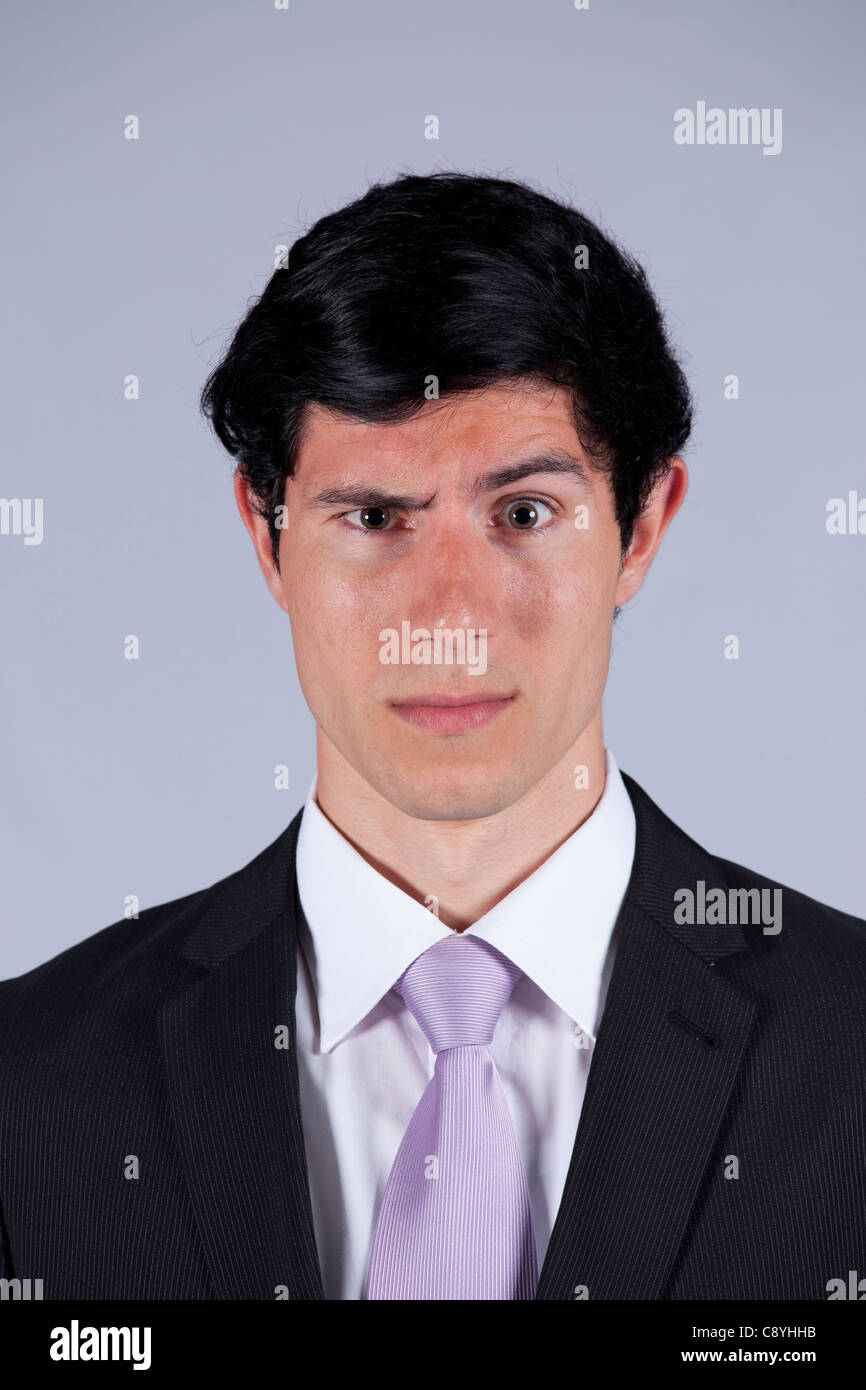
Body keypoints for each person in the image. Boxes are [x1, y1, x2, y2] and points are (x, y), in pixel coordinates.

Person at [1, 172, 863, 1302]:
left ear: (642, 526)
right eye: (372, 518)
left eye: (522, 514)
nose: (447, 619)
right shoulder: (29, 1081)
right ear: (267, 539)